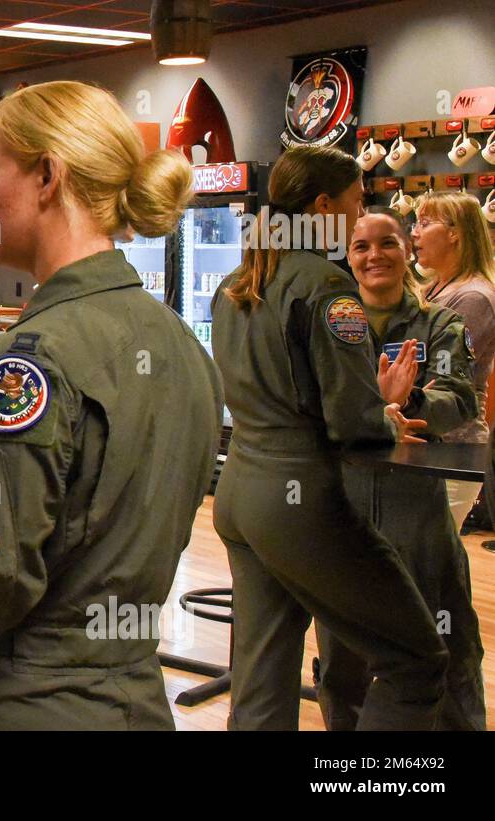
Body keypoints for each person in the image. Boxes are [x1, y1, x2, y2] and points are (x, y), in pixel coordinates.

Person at [0, 80, 223, 730]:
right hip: (135, 699)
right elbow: (94, 520)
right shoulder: (181, 345)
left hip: (27, 702)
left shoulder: (26, 359)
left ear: (48, 175)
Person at [210, 145, 448, 731]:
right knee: (417, 661)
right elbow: (350, 417)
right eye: (356, 200)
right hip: (301, 500)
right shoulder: (327, 288)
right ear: (323, 206)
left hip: (240, 493)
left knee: (263, 673)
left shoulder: (239, 282)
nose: (360, 210)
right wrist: (385, 415)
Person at [313, 207, 486, 730]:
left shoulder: (440, 323)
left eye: (387, 243)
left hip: (419, 513)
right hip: (345, 508)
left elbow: (458, 397)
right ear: (349, 255)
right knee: (343, 661)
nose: (374, 256)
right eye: (361, 246)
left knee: (450, 647)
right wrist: (374, 412)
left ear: (406, 250)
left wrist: (408, 400)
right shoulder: (330, 322)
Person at [413, 191, 495, 532]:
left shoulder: (473, 296)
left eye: (424, 223)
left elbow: (442, 375)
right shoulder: (434, 288)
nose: (414, 232)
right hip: (426, 441)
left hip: (450, 448)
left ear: (455, 233)